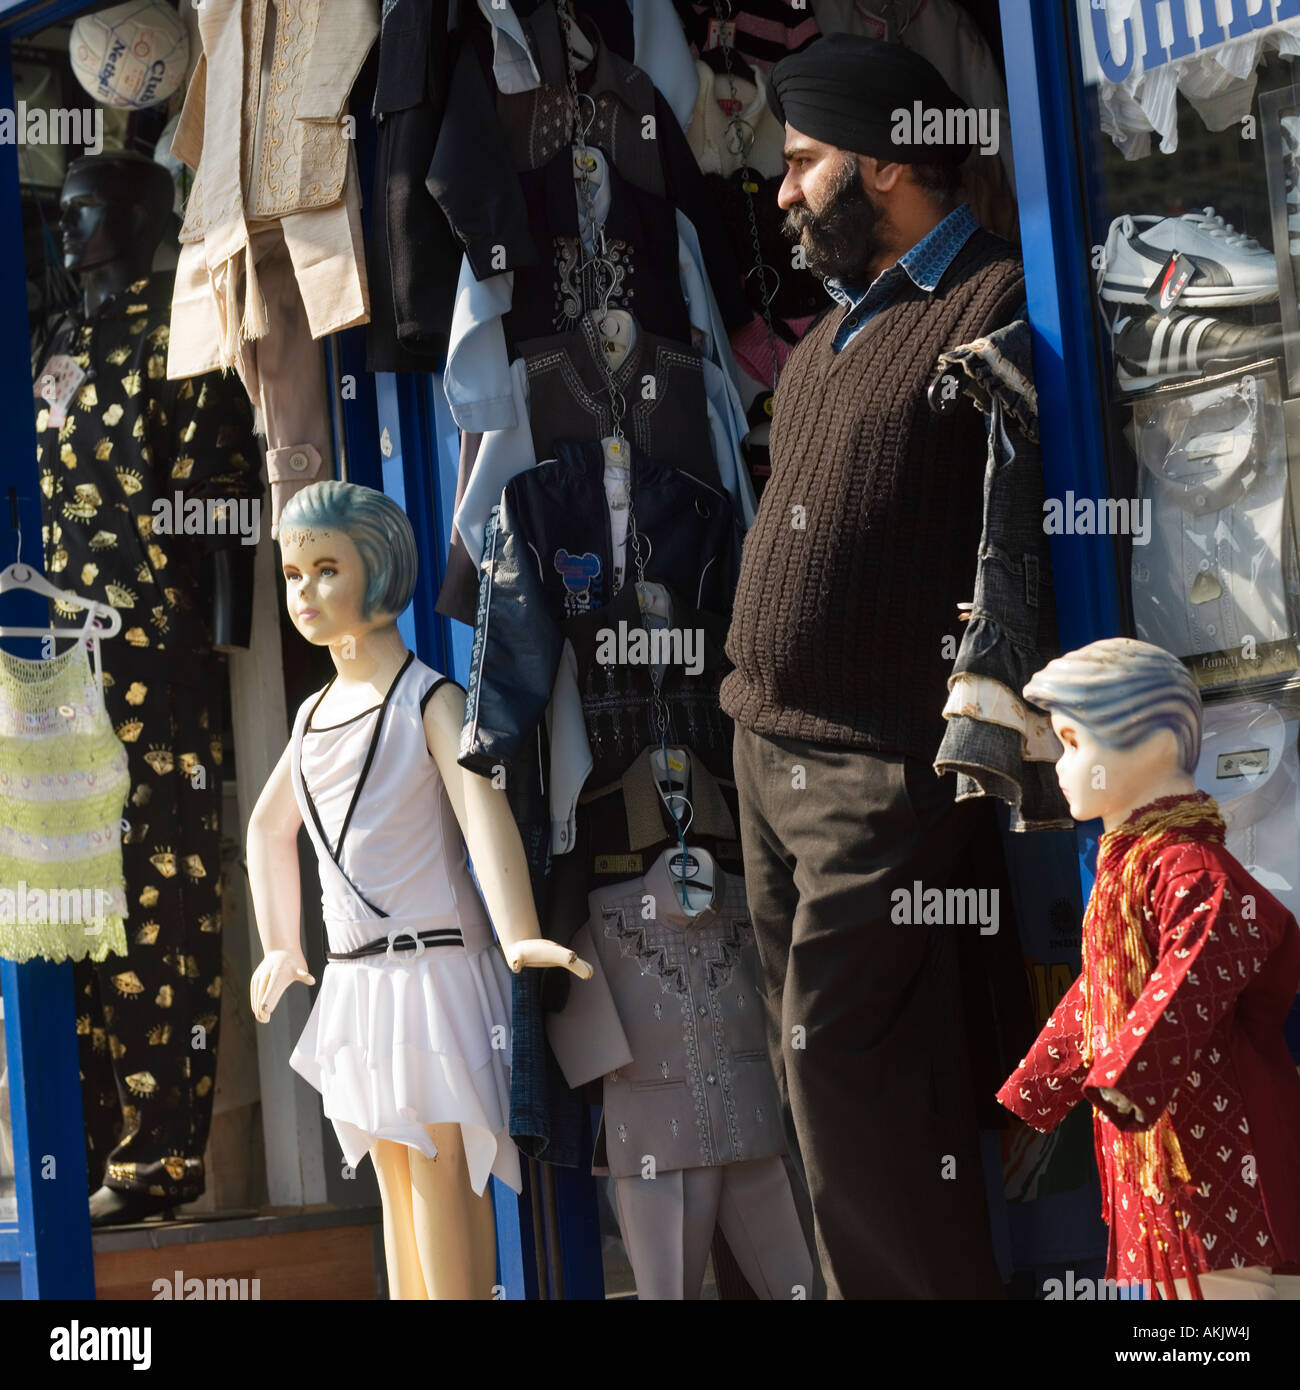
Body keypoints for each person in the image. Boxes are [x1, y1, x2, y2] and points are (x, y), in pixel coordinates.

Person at [721, 33, 1025, 1298]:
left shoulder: (990, 301)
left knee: (843, 1080)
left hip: (874, 772)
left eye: (803, 164)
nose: (784, 192)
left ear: (889, 160)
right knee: (821, 1083)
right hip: (764, 750)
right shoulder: (840, 332)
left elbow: (1017, 532)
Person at [999, 638, 1300, 1301]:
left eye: (1075, 744)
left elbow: (1196, 968)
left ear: (1157, 745)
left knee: (1227, 1290)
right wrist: (1041, 1082)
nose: (1059, 765)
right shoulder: (1130, 866)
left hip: (1211, 1145)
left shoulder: (1191, 868)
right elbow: (1103, 989)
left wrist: (1131, 1075)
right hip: (1155, 1151)